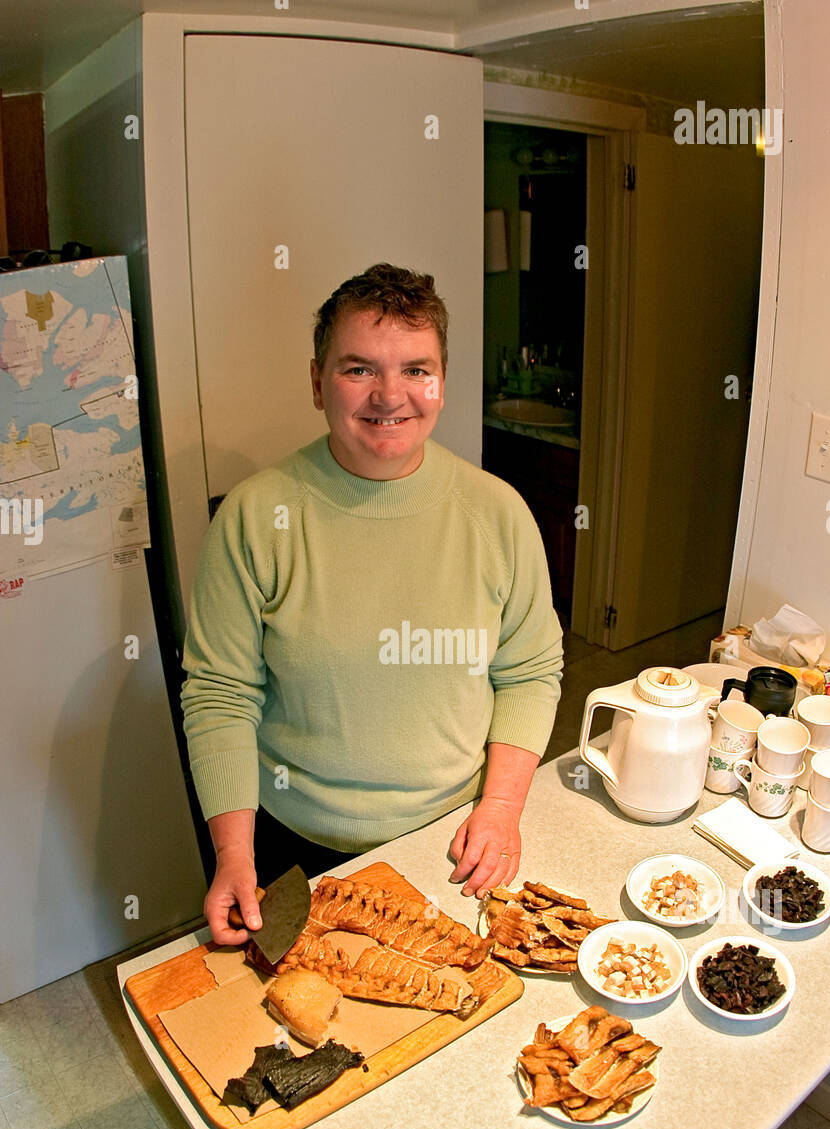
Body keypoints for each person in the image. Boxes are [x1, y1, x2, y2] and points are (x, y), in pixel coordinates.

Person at [180, 264, 563, 947]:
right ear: (317, 380)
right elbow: (219, 694)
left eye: (417, 369)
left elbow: (530, 670)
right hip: (294, 846)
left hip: (455, 840)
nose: (391, 395)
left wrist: (502, 807)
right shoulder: (253, 515)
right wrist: (234, 856)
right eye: (359, 368)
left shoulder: (498, 514)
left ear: (443, 379)